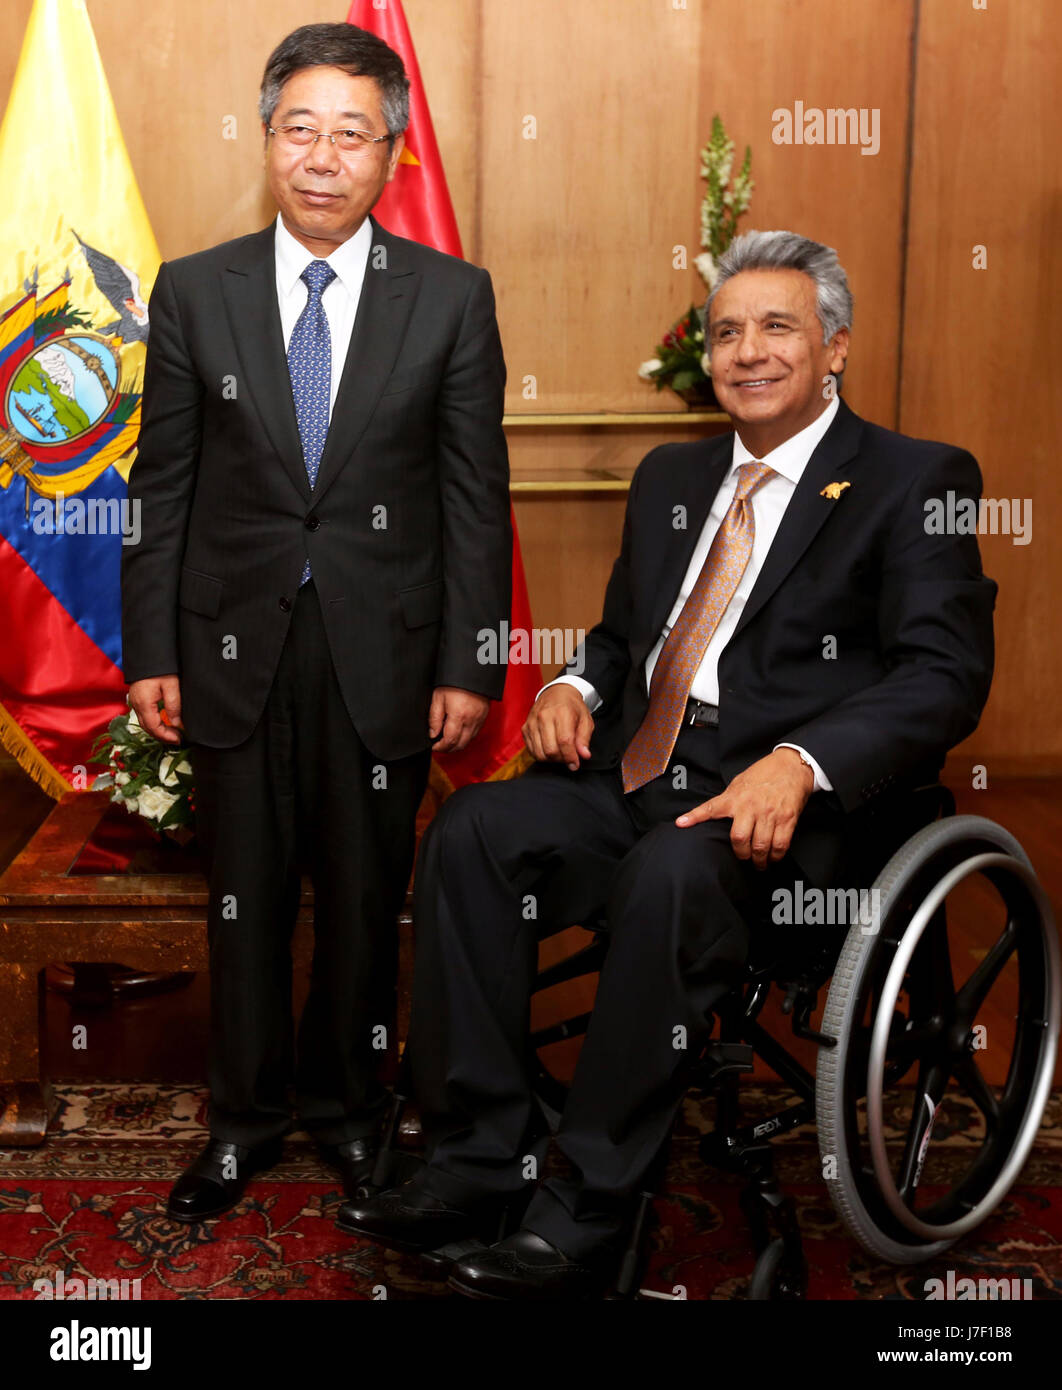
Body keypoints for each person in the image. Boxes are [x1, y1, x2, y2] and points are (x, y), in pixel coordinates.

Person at [339, 230, 997, 1298]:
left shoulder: (915, 480)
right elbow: (623, 637)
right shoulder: (673, 474)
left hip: (789, 824)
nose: (748, 351)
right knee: (471, 832)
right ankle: (475, 1162)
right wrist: (573, 687)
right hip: (643, 778)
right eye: (727, 331)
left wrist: (803, 757)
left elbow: (944, 676)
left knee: (670, 876)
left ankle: (590, 1208)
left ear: (835, 347)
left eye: (777, 327)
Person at [121, 22, 511, 1222]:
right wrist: (152, 652)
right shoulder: (197, 289)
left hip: (383, 654)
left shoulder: (450, 299)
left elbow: (471, 496)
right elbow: (163, 486)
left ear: (391, 152)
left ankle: (348, 1113)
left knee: (358, 900)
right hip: (230, 648)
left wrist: (468, 661)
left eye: (353, 133)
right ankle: (240, 1123)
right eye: (303, 128)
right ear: (266, 136)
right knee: (242, 899)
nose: (324, 156)